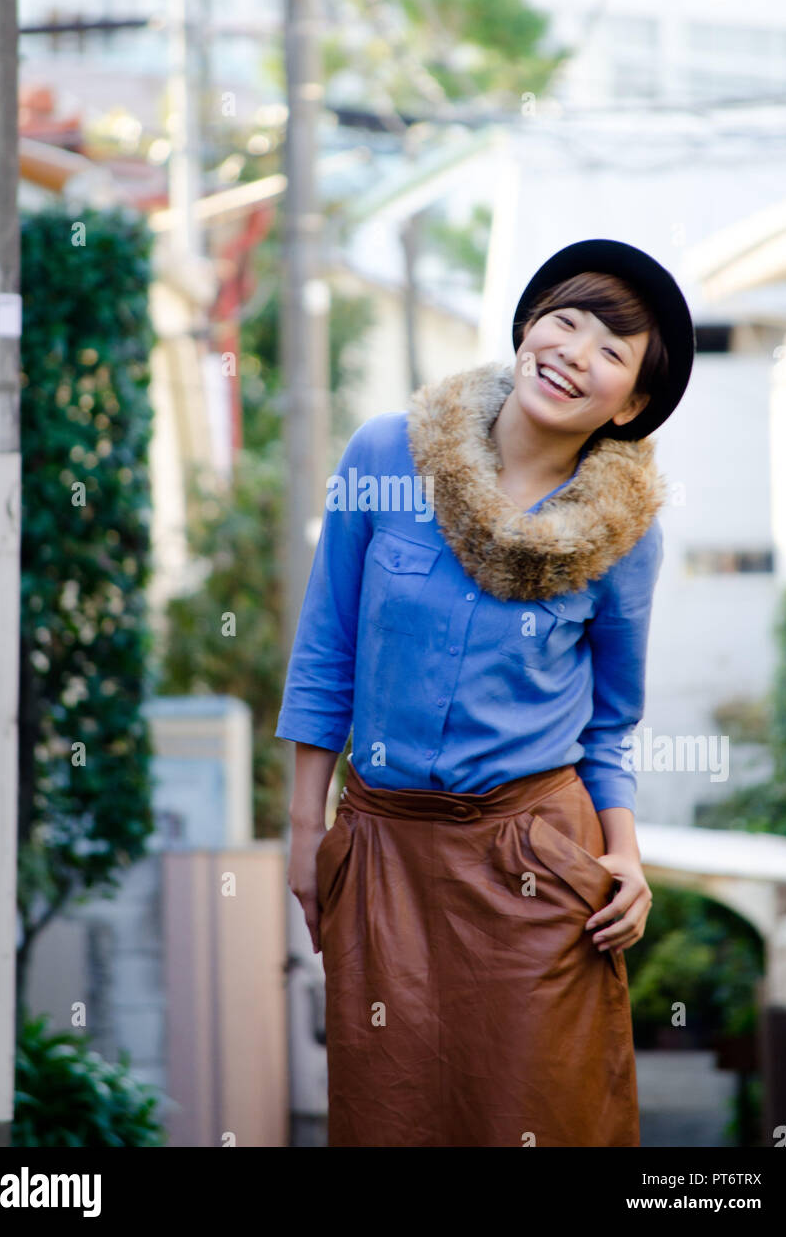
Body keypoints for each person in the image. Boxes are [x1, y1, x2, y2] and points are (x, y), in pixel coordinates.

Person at [276, 237, 696, 1148]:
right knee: (389, 1119)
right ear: (527, 328)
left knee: (539, 1113)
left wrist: (623, 858)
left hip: (534, 866)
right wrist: (304, 829)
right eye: (565, 320)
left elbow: (610, 724)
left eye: (611, 352)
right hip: (382, 854)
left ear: (631, 405)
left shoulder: (624, 536)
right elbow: (324, 656)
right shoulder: (389, 452)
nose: (573, 352)